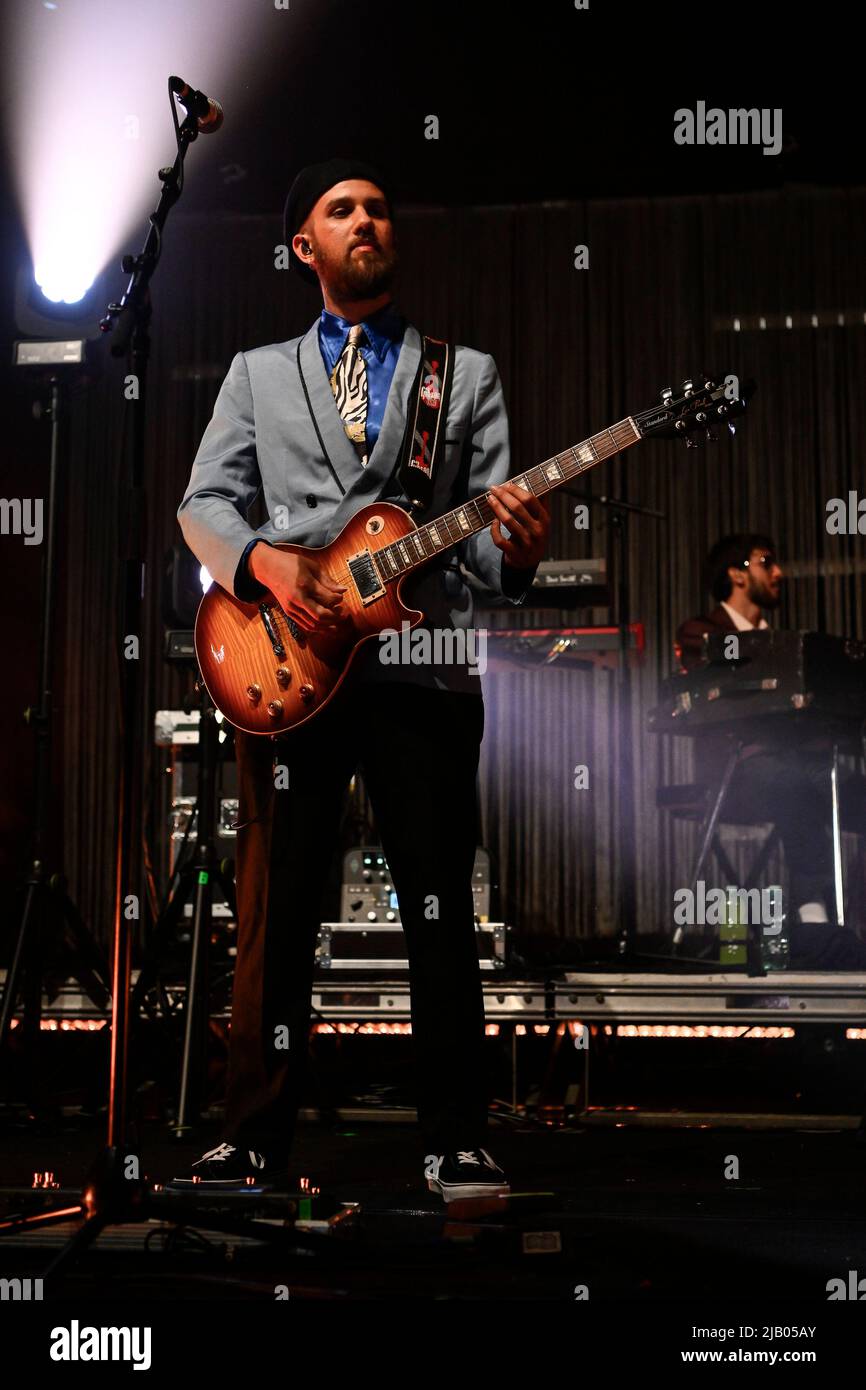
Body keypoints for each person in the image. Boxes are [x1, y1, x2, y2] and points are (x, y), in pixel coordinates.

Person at [172, 158, 550, 1200]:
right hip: (286, 661)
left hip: (420, 672)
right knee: (278, 908)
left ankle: (452, 1138)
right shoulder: (255, 373)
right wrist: (262, 564)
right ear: (305, 247)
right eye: (341, 209)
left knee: (437, 904)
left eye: (378, 206)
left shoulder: (458, 376)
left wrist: (515, 551)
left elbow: (482, 562)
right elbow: (202, 503)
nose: (365, 219)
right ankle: (251, 1139)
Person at [676, 533, 866, 966]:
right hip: (737, 773)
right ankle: (814, 915)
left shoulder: (789, 647)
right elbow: (716, 696)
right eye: (767, 562)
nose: (778, 572)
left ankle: (848, 926)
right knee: (796, 783)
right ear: (737, 573)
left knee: (837, 788)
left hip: (800, 768)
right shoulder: (700, 633)